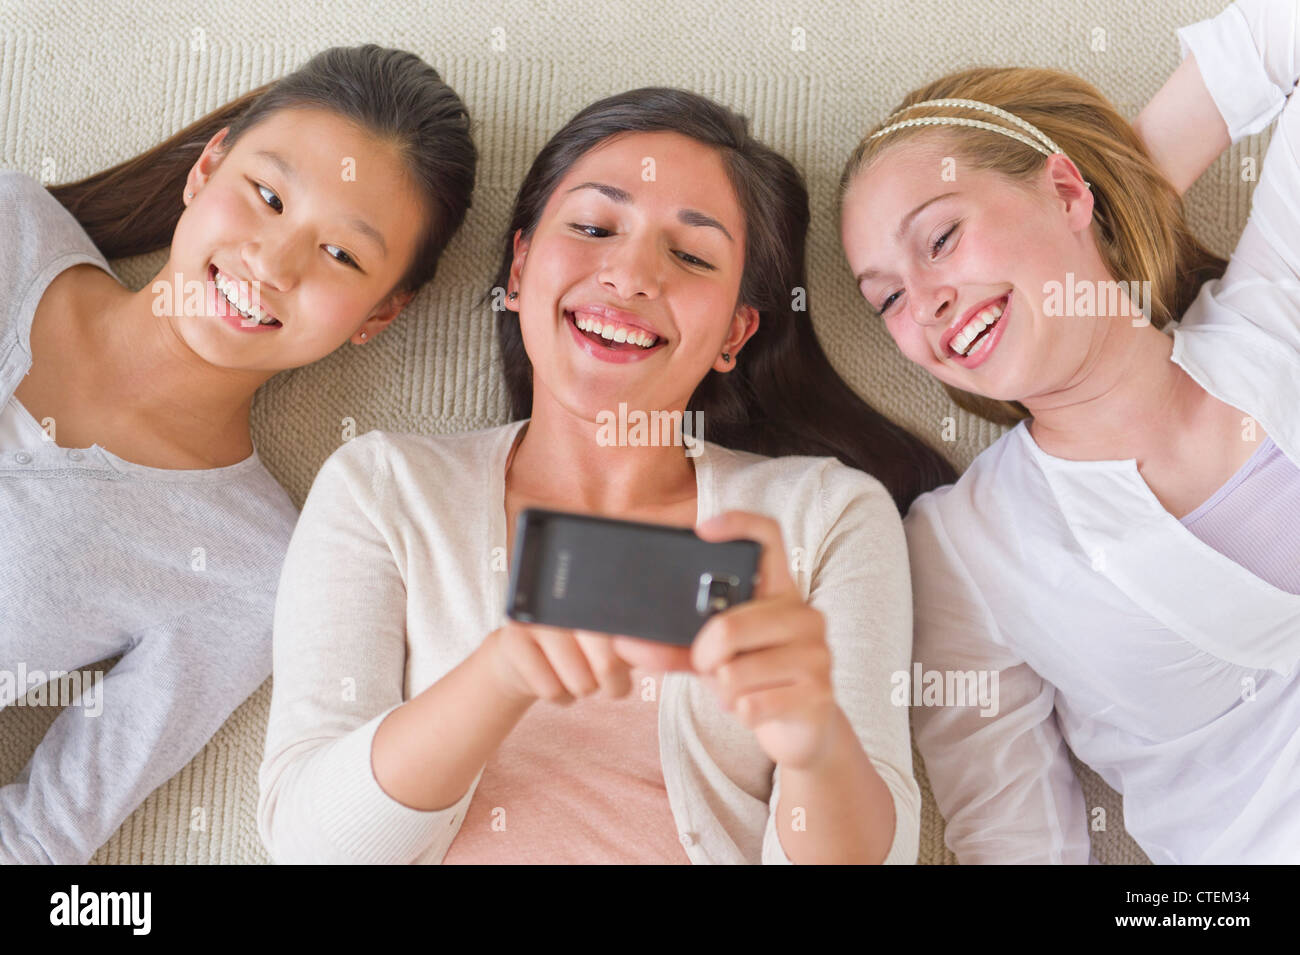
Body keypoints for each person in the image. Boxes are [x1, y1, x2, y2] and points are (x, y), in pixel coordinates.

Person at [258, 86, 955, 864]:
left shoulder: (825, 517)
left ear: (735, 332)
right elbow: (308, 847)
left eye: (691, 255)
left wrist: (817, 740)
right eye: (593, 228)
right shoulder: (385, 488)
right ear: (520, 267)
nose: (630, 275)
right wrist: (504, 670)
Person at [837, 0, 1299, 863]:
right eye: (888, 297)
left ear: (1062, 189)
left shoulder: (1279, 305)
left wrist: (1122, 198)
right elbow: (1013, 840)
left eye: (941, 237)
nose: (925, 302)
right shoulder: (966, 548)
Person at [0, 45, 477, 864]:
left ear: (378, 315)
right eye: (268, 196)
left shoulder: (248, 569)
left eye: (342, 255)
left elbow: (40, 836)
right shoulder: (11, 222)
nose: (273, 263)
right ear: (208, 167)